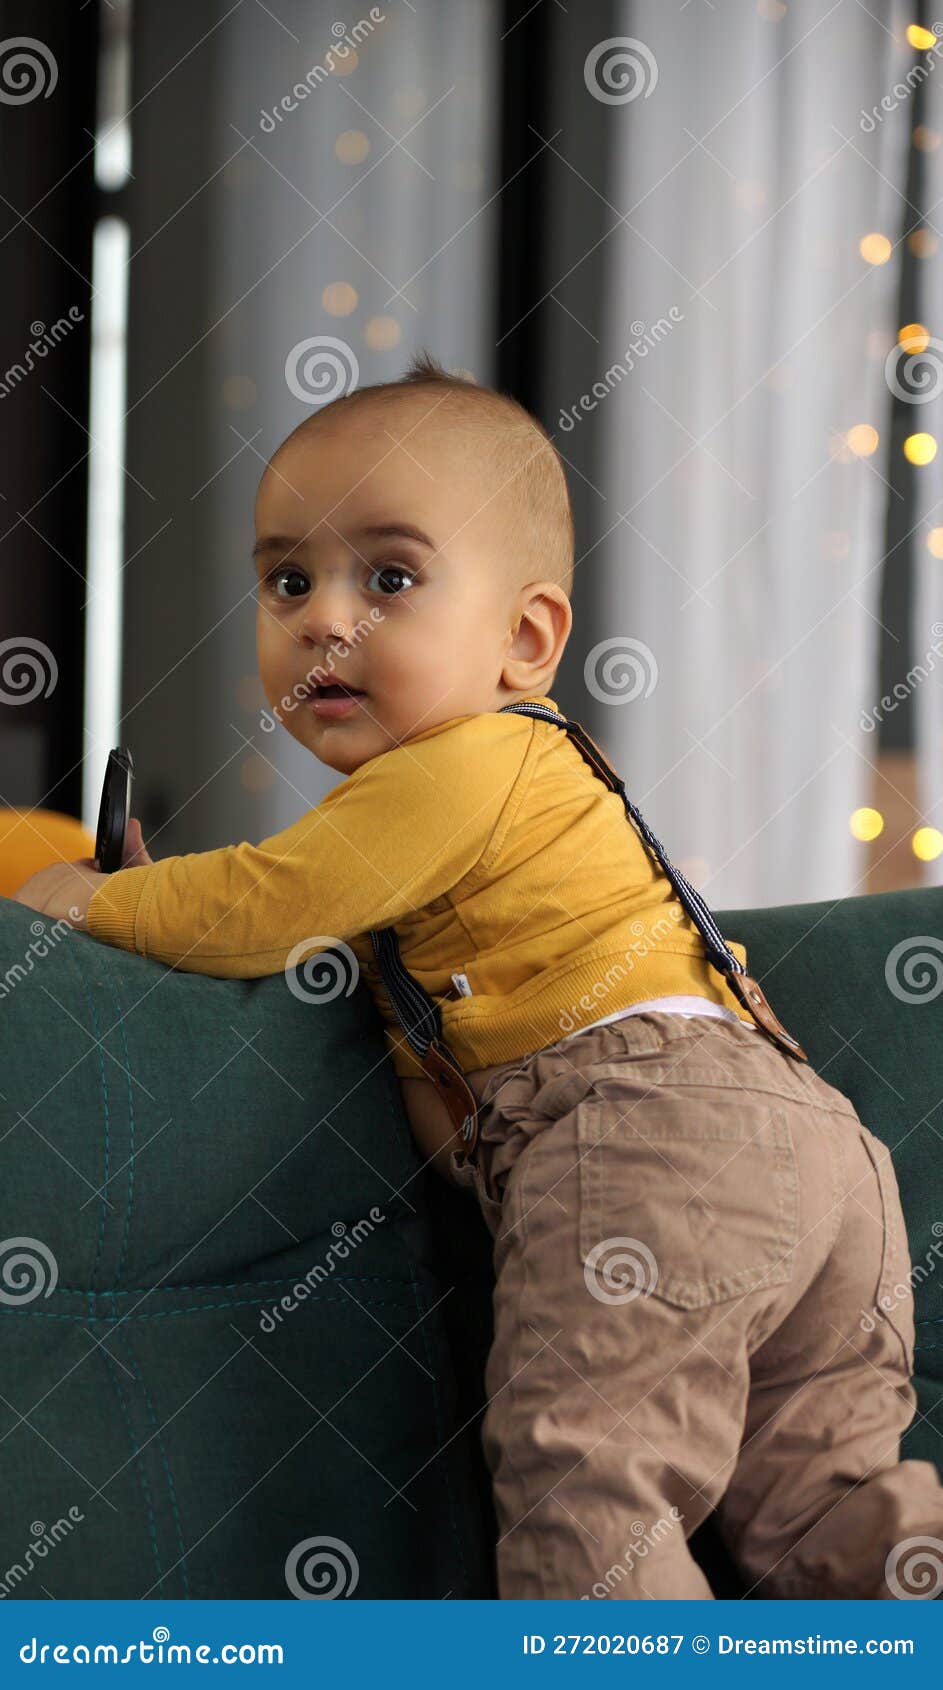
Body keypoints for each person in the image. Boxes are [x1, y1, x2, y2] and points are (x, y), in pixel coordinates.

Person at [14, 351, 943, 1600]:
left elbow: (266, 901)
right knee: (814, 1504)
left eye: (388, 577)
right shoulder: (521, 801)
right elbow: (345, 952)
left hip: (652, 1139)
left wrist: (89, 895)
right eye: (288, 577)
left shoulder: (459, 763)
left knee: (588, 1492)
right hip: (819, 1163)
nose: (324, 618)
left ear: (524, 636)